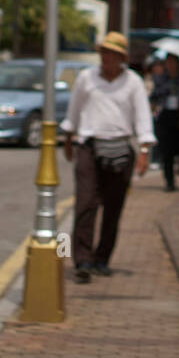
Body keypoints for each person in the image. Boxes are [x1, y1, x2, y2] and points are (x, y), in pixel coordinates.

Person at [62, 31, 155, 282]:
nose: (106, 58)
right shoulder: (86, 78)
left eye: (112, 54)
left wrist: (144, 152)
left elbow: (143, 119)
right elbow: (74, 110)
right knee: (85, 203)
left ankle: (102, 258)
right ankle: (81, 259)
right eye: (103, 52)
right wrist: (68, 139)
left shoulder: (133, 82)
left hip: (120, 149)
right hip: (89, 147)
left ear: (121, 58)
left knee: (113, 208)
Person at [150, 53, 179, 192]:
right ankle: (169, 180)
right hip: (166, 117)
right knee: (167, 151)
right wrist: (166, 89)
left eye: (174, 62)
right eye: (168, 62)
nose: (171, 65)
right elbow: (153, 96)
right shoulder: (161, 79)